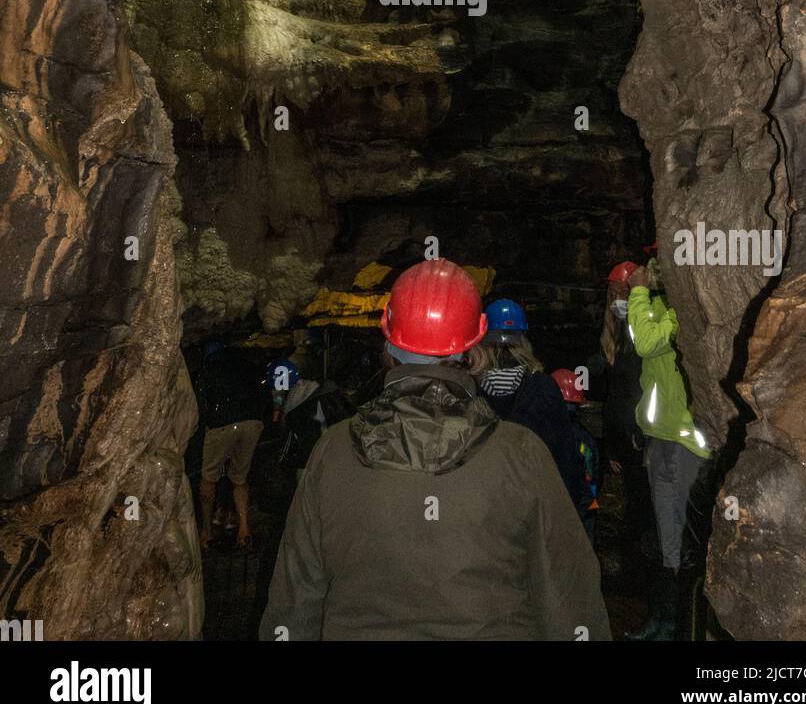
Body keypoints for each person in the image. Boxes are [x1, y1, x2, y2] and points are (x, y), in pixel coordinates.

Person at [260, 259, 610, 641]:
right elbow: (568, 594)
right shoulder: (521, 453)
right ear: (475, 344)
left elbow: (295, 599)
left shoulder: (333, 452)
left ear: (388, 338)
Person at [624, 261, 712, 641]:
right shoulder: (659, 307)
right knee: (664, 538)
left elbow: (645, 342)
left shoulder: (683, 312)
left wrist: (638, 292)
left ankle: (679, 625)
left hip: (684, 443)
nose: (653, 274)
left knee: (679, 542)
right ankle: (664, 619)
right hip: (661, 437)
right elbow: (636, 337)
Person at [466, 297, 585, 510]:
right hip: (534, 504)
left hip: (482, 505)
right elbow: (565, 454)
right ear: (523, 340)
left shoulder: (468, 389)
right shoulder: (543, 388)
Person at [600, 261, 652, 537]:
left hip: (644, 437)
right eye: (612, 294)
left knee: (645, 507)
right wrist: (612, 444)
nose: (617, 300)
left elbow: (640, 390)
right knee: (635, 504)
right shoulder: (617, 335)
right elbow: (616, 396)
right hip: (627, 437)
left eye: (623, 292)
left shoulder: (642, 336)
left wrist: (640, 433)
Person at [199, 340, 266, 550]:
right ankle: (244, 529)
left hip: (222, 424)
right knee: (240, 478)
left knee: (209, 478)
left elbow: (202, 401)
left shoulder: (208, 369)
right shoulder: (245, 365)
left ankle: (207, 532)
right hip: (252, 422)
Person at [551, 369, 600, 543]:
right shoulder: (584, 439)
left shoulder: (543, 433)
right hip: (582, 508)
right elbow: (591, 475)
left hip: (553, 510)